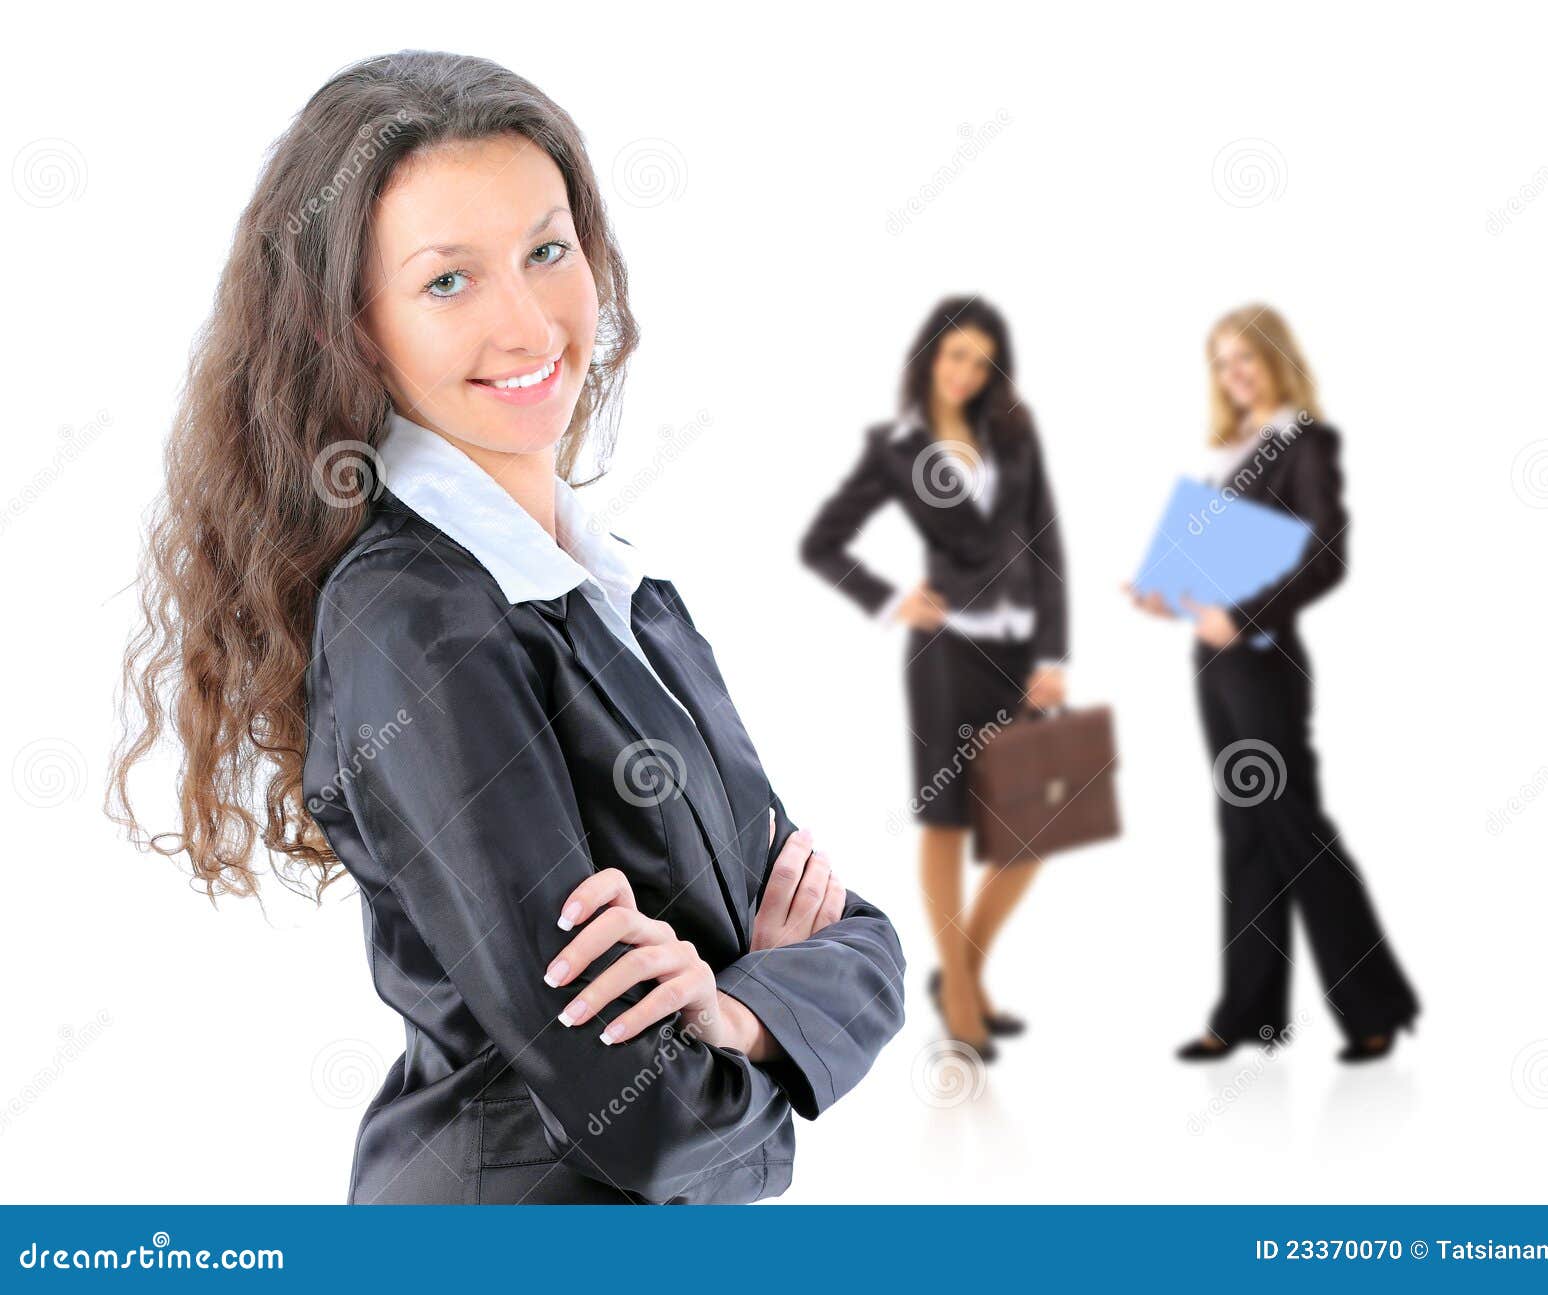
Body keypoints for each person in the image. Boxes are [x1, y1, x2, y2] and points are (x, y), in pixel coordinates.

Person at [106, 50, 905, 1204]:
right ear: (352, 328)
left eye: (546, 251)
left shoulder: (609, 585)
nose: (529, 323)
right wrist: (772, 1025)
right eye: (447, 281)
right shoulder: (413, 622)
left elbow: (854, 932)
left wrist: (729, 1008)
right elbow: (652, 1121)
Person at [1127, 304, 1420, 1063]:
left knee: (1290, 822)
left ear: (1276, 358)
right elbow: (1229, 556)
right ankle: (1251, 1010)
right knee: (1245, 831)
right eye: (1222, 362)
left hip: (1265, 662)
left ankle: (1373, 1005)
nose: (1235, 373)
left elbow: (1326, 553)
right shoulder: (1230, 450)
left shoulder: (1305, 440)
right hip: (1215, 660)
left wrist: (1244, 611)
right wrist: (1174, 595)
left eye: (1246, 358)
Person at [799, 296, 1067, 1062]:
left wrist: (1053, 655)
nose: (965, 373)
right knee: (948, 820)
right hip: (946, 657)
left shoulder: (1015, 439)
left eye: (981, 361)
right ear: (929, 361)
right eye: (954, 356)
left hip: (1019, 662)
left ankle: (962, 970)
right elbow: (826, 541)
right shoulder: (898, 446)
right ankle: (964, 995)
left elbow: (1048, 548)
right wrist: (890, 599)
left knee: (1029, 830)